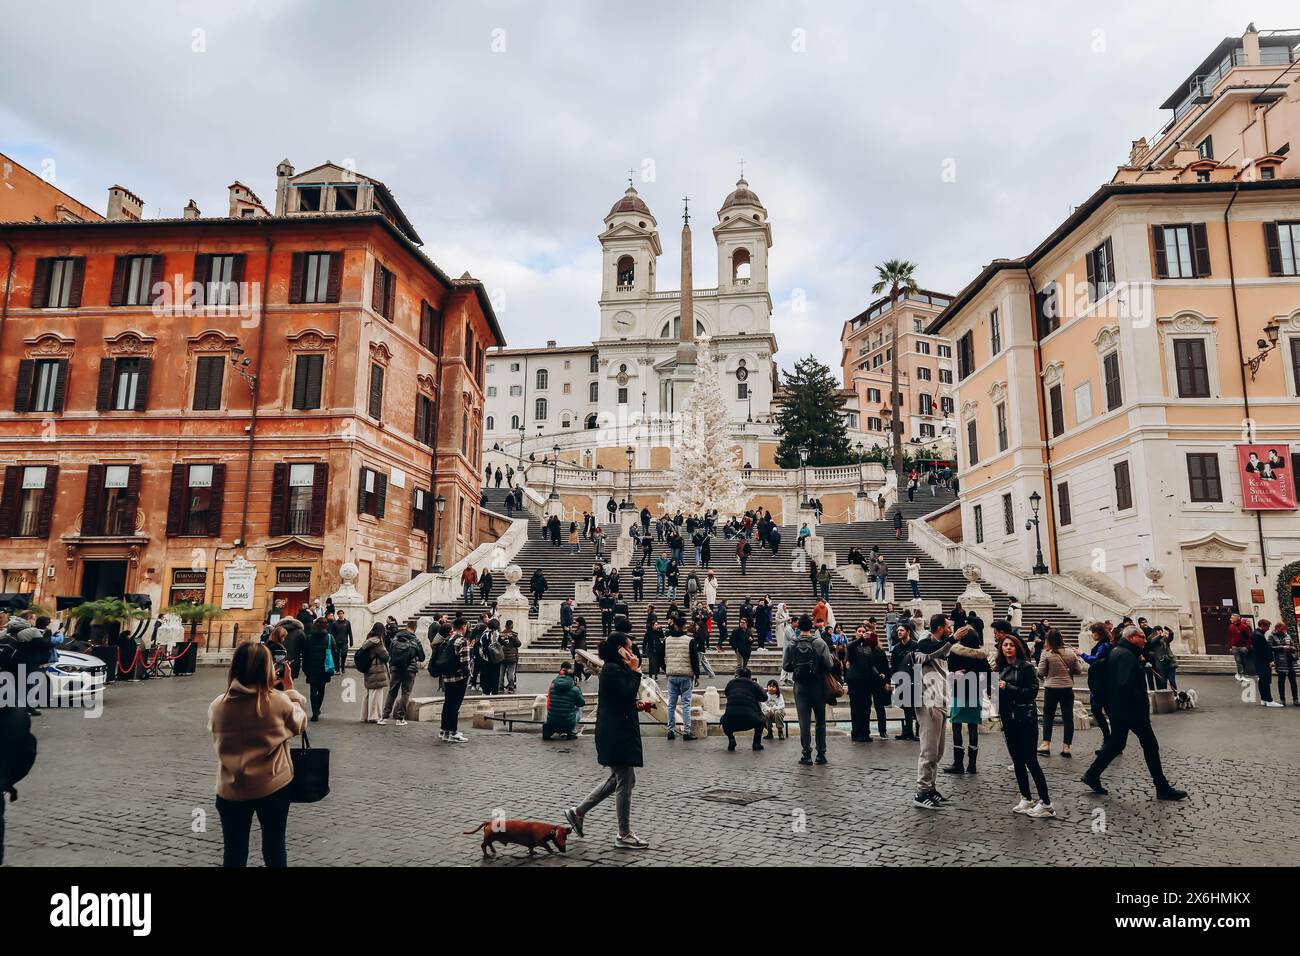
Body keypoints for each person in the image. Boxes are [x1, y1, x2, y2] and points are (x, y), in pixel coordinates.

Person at [207, 642, 308, 867]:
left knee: (234, 852)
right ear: (268, 668)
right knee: (274, 846)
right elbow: (300, 722)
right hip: (272, 786)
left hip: (231, 788)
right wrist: (290, 691)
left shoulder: (218, 705)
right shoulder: (277, 701)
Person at [564, 631, 651, 850]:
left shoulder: (614, 669)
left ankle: (578, 812)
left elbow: (621, 699)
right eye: (629, 647)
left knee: (618, 779)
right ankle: (623, 834)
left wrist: (635, 704)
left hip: (615, 730)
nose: (632, 651)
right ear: (620, 649)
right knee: (625, 780)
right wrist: (636, 671)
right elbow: (627, 692)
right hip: (616, 733)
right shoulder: (613, 669)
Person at [1082, 625, 1188, 800]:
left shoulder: (1119, 652)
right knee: (1150, 746)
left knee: (1116, 744)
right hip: (1131, 710)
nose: (1145, 640)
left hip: (1118, 709)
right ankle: (1162, 787)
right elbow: (1125, 684)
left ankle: (1092, 774)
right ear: (1131, 638)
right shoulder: (1125, 655)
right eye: (1141, 637)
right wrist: (1140, 703)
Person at [994, 633, 1055, 817]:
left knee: (1031, 760)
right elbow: (998, 695)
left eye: (1011, 644)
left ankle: (1046, 803)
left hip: (1025, 718)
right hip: (1008, 719)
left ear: (1017, 647)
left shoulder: (1027, 667)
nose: (1008, 647)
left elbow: (1032, 692)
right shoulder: (1001, 668)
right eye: (1005, 645)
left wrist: (1007, 688)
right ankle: (1026, 798)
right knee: (1017, 761)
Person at [911, 614, 956, 810]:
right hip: (928, 702)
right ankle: (921, 792)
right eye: (948, 626)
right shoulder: (924, 648)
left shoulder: (943, 648)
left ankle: (930, 788)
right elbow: (931, 651)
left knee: (937, 751)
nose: (951, 628)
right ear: (940, 628)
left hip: (941, 701)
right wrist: (953, 640)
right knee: (928, 750)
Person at [782, 614, 836, 765]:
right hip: (818, 686)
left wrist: (798, 668)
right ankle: (821, 754)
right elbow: (829, 665)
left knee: (804, 722)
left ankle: (806, 754)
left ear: (798, 627)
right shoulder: (819, 643)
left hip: (800, 688)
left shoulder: (792, 644)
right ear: (811, 627)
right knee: (821, 721)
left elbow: (785, 666)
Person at [944, 625, 988, 774]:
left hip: (959, 690)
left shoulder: (956, 652)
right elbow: (988, 672)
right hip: (975, 691)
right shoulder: (980, 655)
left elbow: (950, 668)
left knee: (956, 724)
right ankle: (972, 764)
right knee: (973, 726)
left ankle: (958, 763)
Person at [1037, 628, 1081, 757]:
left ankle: (1046, 744)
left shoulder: (1046, 653)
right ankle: (1066, 747)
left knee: (1048, 716)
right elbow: (1078, 670)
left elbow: (1041, 672)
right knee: (1068, 718)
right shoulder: (1070, 653)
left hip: (1051, 689)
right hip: (1067, 688)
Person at [846, 625, 887, 742]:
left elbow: (871, 665)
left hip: (866, 681)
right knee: (856, 708)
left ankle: (865, 732)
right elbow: (849, 646)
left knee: (866, 708)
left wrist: (878, 674)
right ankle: (856, 732)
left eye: (863, 631)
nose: (861, 633)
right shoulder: (853, 646)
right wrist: (860, 639)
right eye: (859, 631)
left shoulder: (868, 648)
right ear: (856, 633)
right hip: (855, 681)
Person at [293, 618, 337, 721]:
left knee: (313, 689)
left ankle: (314, 713)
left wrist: (304, 667)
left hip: (311, 667)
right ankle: (317, 709)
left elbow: (305, 654)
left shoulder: (309, 638)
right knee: (321, 689)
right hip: (324, 667)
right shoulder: (330, 638)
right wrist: (335, 667)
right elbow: (335, 653)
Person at [663, 620, 700, 740]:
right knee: (686, 704)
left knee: (671, 704)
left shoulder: (667, 640)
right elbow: (694, 659)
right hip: (686, 675)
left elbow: (660, 656)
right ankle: (686, 732)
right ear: (684, 627)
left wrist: (666, 668)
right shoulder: (690, 641)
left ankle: (670, 730)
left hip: (672, 674)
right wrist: (697, 675)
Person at [381, 627, 424, 726]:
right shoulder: (416, 640)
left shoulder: (395, 639)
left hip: (396, 669)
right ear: (414, 629)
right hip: (410, 670)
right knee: (405, 693)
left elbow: (390, 654)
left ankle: (384, 717)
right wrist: (414, 657)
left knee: (392, 692)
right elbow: (422, 657)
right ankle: (400, 718)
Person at [439, 619, 473, 742]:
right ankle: (453, 732)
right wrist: (468, 674)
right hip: (458, 678)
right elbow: (465, 662)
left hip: (447, 676)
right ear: (463, 626)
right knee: (455, 705)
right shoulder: (462, 641)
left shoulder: (448, 638)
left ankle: (444, 731)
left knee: (448, 703)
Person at [1081, 621, 1113, 751]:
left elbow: (1095, 660)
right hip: (1101, 683)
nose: (1091, 635)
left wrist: (1081, 654)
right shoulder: (1105, 645)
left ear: (1098, 633)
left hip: (1100, 684)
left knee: (1097, 710)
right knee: (1105, 711)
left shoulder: (1103, 646)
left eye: (1093, 632)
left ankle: (1109, 739)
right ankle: (1112, 740)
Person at [720, 667, 766, 751]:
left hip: (729, 720)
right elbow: (764, 697)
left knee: (723, 720)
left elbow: (727, 693)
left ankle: (731, 739)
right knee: (761, 720)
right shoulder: (753, 684)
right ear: (750, 676)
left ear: (738, 675)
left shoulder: (731, 683)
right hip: (750, 719)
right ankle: (756, 743)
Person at [542, 661, 586, 740]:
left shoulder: (553, 686)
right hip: (567, 723)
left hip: (551, 722)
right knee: (578, 708)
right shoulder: (574, 689)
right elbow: (582, 703)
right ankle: (572, 730)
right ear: (573, 678)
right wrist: (577, 687)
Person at [357, 623, 389, 724]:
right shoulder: (377, 642)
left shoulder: (369, 639)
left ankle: (364, 716)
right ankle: (374, 716)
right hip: (376, 670)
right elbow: (385, 656)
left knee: (368, 693)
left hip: (369, 669)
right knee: (376, 694)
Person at [1250, 619, 1281, 707]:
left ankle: (1264, 699)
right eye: (1267, 627)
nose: (1268, 629)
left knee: (1262, 680)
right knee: (1266, 680)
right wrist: (1270, 661)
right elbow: (1263, 650)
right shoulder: (1258, 635)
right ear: (1262, 625)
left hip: (1259, 660)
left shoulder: (1255, 633)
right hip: (1262, 661)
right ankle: (1269, 700)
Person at [1268, 622, 1297, 705]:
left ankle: (1295, 699)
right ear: (1277, 629)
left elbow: (1294, 647)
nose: (1284, 630)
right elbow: (1269, 648)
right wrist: (1282, 647)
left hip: (1290, 661)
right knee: (1281, 682)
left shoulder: (1287, 635)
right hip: (1280, 662)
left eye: (1285, 629)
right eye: (1282, 629)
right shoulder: (1271, 636)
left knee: (1293, 682)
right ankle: (1282, 700)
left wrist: (1291, 648)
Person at [1145, 625, 1177, 691]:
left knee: (1172, 680)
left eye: (1161, 630)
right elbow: (1152, 641)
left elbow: (1171, 636)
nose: (1160, 631)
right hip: (1161, 663)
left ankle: (1175, 695)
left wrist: (1169, 631)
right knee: (1163, 682)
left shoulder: (1165, 639)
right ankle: (1164, 696)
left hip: (1170, 662)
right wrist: (1160, 636)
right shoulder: (1152, 639)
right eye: (1158, 630)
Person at [1227, 612, 1253, 684]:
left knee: (1243, 661)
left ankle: (1243, 674)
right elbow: (1230, 637)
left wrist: (1247, 647)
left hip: (1243, 647)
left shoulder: (1244, 627)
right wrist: (1230, 647)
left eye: (1232, 618)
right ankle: (1241, 675)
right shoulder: (1231, 626)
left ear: (1237, 618)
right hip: (1234, 646)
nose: (1230, 619)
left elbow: (1249, 637)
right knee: (1238, 661)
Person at [500, 620, 522, 693]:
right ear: (511, 626)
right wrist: (512, 637)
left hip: (502, 656)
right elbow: (518, 644)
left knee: (501, 673)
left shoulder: (501, 634)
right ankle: (511, 687)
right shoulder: (513, 634)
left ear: (505, 625)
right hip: (512, 656)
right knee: (511, 673)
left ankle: (500, 686)